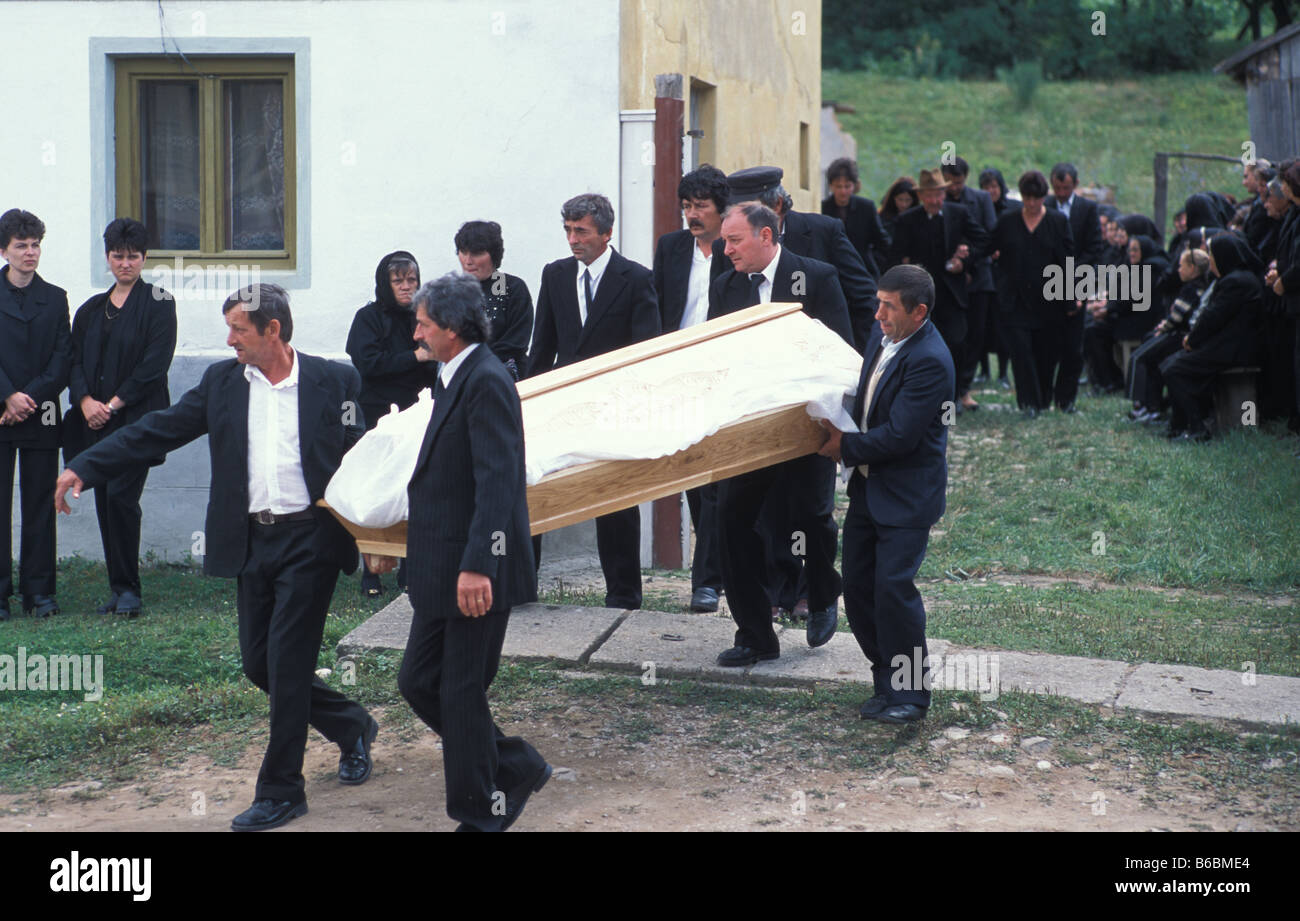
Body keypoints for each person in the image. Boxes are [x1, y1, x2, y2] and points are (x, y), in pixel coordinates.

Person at [55, 284, 379, 831]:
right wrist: (86, 466)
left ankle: (282, 791)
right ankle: (351, 726)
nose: (229, 340)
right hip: (251, 542)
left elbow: (361, 455)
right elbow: (157, 428)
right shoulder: (222, 383)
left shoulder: (334, 381)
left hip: (311, 542)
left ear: (272, 330)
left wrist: (375, 535)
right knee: (260, 665)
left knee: (288, 662)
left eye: (238, 330)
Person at [370, 273, 549, 832]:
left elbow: (498, 480)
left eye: (423, 323)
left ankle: (480, 811)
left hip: (474, 570)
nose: (415, 331)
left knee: (460, 688)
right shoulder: (452, 375)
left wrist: (478, 565)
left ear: (451, 329)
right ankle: (515, 764)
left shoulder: (487, 380)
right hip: (439, 567)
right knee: (419, 682)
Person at [707, 201, 853, 666]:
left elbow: (840, 354)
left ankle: (823, 593)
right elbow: (718, 357)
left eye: (734, 240)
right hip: (750, 429)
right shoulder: (726, 287)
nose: (726, 250)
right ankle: (754, 633)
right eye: (724, 241)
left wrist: (833, 428)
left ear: (766, 236)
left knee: (809, 517)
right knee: (732, 520)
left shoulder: (817, 278)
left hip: (806, 424)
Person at [816, 264, 954, 725]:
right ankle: (886, 682)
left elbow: (900, 437)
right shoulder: (881, 339)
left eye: (888, 306)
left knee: (894, 591)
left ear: (919, 311)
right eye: (877, 302)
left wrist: (843, 446)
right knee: (858, 590)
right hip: (868, 490)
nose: (877, 314)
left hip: (907, 496)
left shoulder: (931, 359)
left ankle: (912, 696)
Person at [527, 193, 660, 610]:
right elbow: (542, 345)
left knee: (615, 499)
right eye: (567, 230)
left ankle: (623, 595)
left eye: (580, 231)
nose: (572, 239)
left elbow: (646, 352)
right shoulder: (555, 275)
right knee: (534, 490)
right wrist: (529, 401)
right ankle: (520, 586)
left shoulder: (635, 278)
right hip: (561, 405)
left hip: (612, 408)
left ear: (606, 232)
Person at [64, 218, 176, 618]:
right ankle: (117, 588)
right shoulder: (91, 309)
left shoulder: (160, 302)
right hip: (91, 420)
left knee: (122, 498)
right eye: (117, 256)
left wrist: (112, 404)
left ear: (144, 258)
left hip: (136, 420)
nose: (125, 263)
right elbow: (73, 361)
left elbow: (153, 365)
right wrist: (85, 402)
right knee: (104, 502)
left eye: (132, 256)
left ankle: (130, 591)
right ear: (107, 257)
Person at [652, 164, 729, 613]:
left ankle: (707, 581)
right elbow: (658, 306)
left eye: (701, 206)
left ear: (722, 209)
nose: (692, 214)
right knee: (691, 477)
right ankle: (713, 572)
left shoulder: (732, 249)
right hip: (678, 376)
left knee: (717, 479)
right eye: (686, 206)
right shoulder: (671, 247)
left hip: (720, 375)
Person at [345, 250, 439, 597]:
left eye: (411, 279)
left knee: (414, 487)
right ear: (385, 283)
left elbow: (438, 355)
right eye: (398, 280)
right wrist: (413, 357)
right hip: (379, 414)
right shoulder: (368, 318)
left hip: (418, 411)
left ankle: (410, 571)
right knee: (377, 488)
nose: (406, 286)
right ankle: (371, 573)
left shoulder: (423, 316)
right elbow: (367, 362)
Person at [713, 166, 878, 353]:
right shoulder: (724, 247)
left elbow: (863, 298)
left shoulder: (823, 232)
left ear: (776, 205)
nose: (729, 249)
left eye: (748, 210)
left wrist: (860, 361)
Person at [0, 209, 71, 621]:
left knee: (42, 501)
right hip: (1, 411)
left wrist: (28, 398)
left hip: (41, 412)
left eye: (35, 245)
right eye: (21, 246)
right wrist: (7, 395)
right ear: (5, 251)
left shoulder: (56, 297)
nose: (30, 253)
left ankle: (39, 592)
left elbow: (63, 357)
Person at [890, 167, 990, 403]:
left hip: (951, 293)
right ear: (922, 196)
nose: (935, 200)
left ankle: (954, 396)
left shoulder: (959, 213)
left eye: (939, 195)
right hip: (920, 296)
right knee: (921, 346)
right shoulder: (907, 220)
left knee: (956, 342)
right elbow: (894, 255)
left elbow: (984, 241)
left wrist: (964, 260)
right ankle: (924, 396)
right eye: (930, 195)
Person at [1160, 234, 1264, 442]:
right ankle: (1180, 425)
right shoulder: (1235, 279)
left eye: (1212, 255)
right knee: (1171, 364)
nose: (1210, 260)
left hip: (1236, 349)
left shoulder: (1236, 282)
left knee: (1174, 369)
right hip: (1227, 345)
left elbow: (1213, 317)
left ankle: (1197, 428)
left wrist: (1193, 340)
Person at [990, 170, 1075, 415]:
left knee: (1045, 353)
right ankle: (1028, 403)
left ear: (1043, 197)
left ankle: (1043, 399)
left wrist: (1070, 299)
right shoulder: (1008, 221)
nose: (1031, 204)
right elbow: (989, 247)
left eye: (1036, 199)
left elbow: (1067, 262)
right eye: (1027, 198)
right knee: (1021, 351)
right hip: (1014, 300)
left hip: (1049, 299)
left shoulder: (1058, 222)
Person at [941, 157, 997, 412]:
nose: (954, 187)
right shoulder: (936, 201)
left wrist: (969, 257)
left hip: (978, 276)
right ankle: (948, 389)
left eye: (959, 182)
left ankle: (965, 388)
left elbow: (990, 235)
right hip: (947, 279)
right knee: (952, 336)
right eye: (949, 182)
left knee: (975, 335)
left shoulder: (981, 200)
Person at [454, 221, 535, 381]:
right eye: (463, 251)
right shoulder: (450, 292)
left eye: (476, 253)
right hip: (460, 378)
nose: (468, 261)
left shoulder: (512, 287)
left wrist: (474, 362)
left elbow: (516, 342)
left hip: (505, 378)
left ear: (494, 255)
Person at [976, 168, 1016, 388]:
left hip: (1004, 275)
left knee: (1003, 326)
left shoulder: (1010, 210)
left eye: (994, 186)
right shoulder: (977, 208)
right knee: (982, 323)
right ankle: (983, 370)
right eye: (986, 187)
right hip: (983, 273)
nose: (991, 191)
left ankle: (1003, 373)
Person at [822, 156, 892, 277]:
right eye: (838, 186)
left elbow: (882, 242)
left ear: (854, 185)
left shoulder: (866, 207)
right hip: (833, 272)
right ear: (831, 186)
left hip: (863, 270)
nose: (843, 191)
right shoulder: (823, 208)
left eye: (847, 186)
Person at [878, 177, 918, 271]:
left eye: (908, 200)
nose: (904, 204)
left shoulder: (918, 218)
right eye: (900, 199)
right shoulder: (882, 219)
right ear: (893, 199)